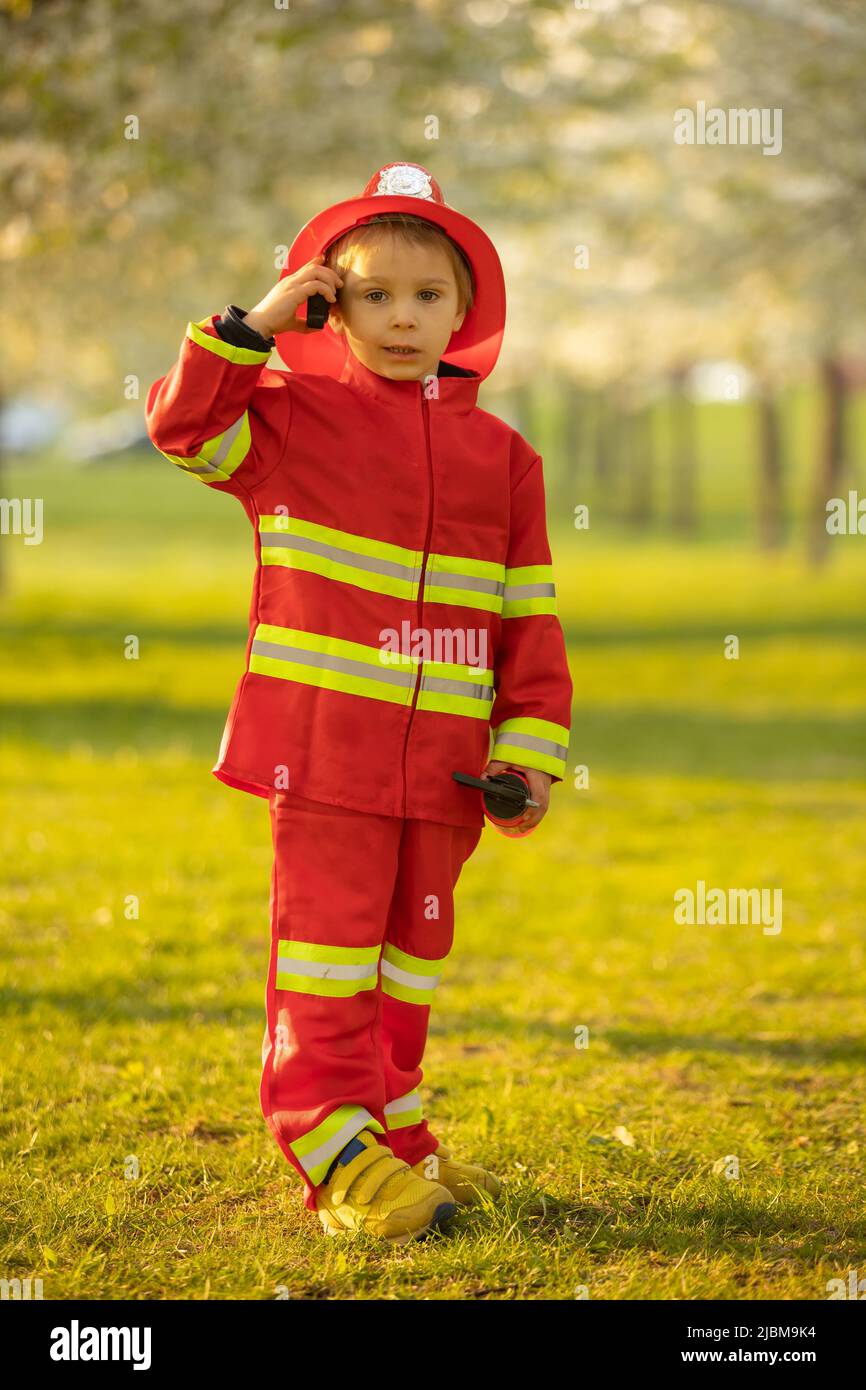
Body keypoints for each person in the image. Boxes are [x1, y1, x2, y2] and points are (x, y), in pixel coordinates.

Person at [145, 161, 573, 1243]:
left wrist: (527, 757)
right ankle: (331, 1142)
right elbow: (186, 431)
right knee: (327, 959)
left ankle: (393, 1132)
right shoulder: (286, 421)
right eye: (371, 293)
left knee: (405, 964)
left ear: (464, 312)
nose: (399, 317)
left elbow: (529, 626)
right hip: (321, 760)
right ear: (330, 304)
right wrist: (256, 322)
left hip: (444, 775)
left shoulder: (504, 459)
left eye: (425, 296)